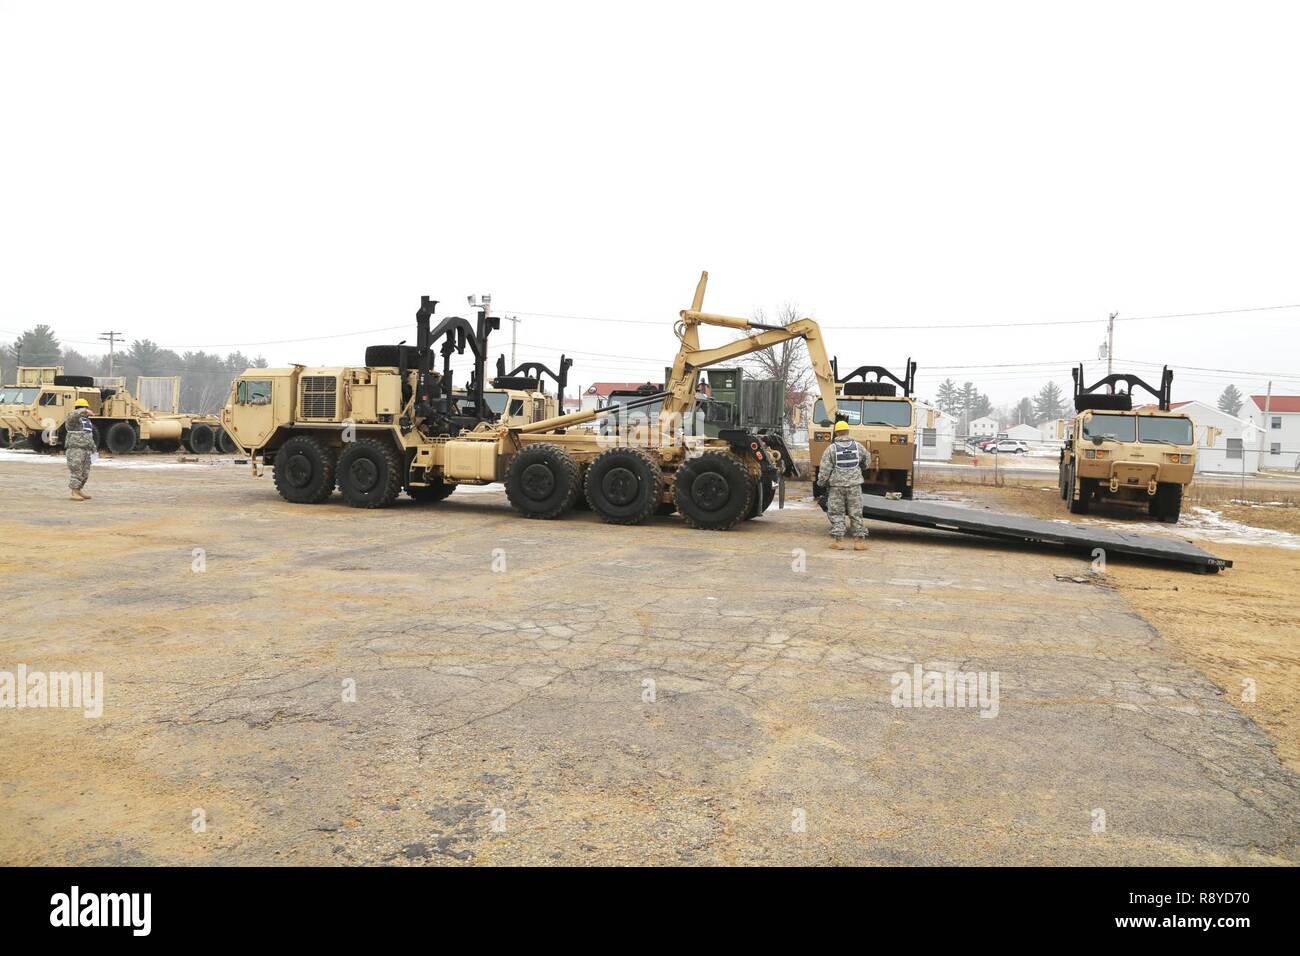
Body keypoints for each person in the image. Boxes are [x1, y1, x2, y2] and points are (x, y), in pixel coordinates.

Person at [816, 420, 870, 549]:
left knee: (836, 512)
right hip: (854, 485)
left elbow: (825, 469)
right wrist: (859, 469)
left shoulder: (831, 449)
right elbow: (867, 461)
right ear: (848, 431)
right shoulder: (858, 447)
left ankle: (839, 541)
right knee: (856, 512)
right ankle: (858, 542)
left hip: (836, 487)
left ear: (836, 433)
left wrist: (821, 483)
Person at [65, 398, 96, 501]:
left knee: (85, 472)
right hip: (75, 449)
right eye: (85, 408)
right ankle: (74, 492)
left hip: (86, 449)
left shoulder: (86, 420)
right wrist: (84, 410)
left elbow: (88, 435)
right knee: (76, 471)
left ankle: (79, 490)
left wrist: (93, 448)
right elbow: (72, 414)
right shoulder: (73, 419)